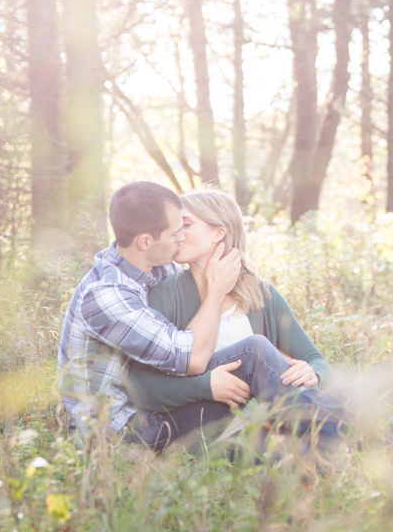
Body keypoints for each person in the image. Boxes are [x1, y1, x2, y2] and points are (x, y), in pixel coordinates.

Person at [124, 185, 344, 452]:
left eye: (185, 224)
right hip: (189, 424)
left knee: (304, 447)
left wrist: (313, 373)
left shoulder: (261, 294)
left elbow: (318, 361)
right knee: (255, 349)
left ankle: (368, 446)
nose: (176, 235)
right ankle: (358, 440)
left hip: (253, 425)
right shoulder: (165, 296)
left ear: (219, 233)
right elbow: (138, 384)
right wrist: (205, 386)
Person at [56, 181, 242, 437]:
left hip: (156, 404)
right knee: (247, 379)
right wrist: (217, 290)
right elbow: (192, 359)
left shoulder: (156, 268)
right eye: (175, 233)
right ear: (145, 241)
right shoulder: (106, 296)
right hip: (120, 432)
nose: (182, 238)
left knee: (252, 362)